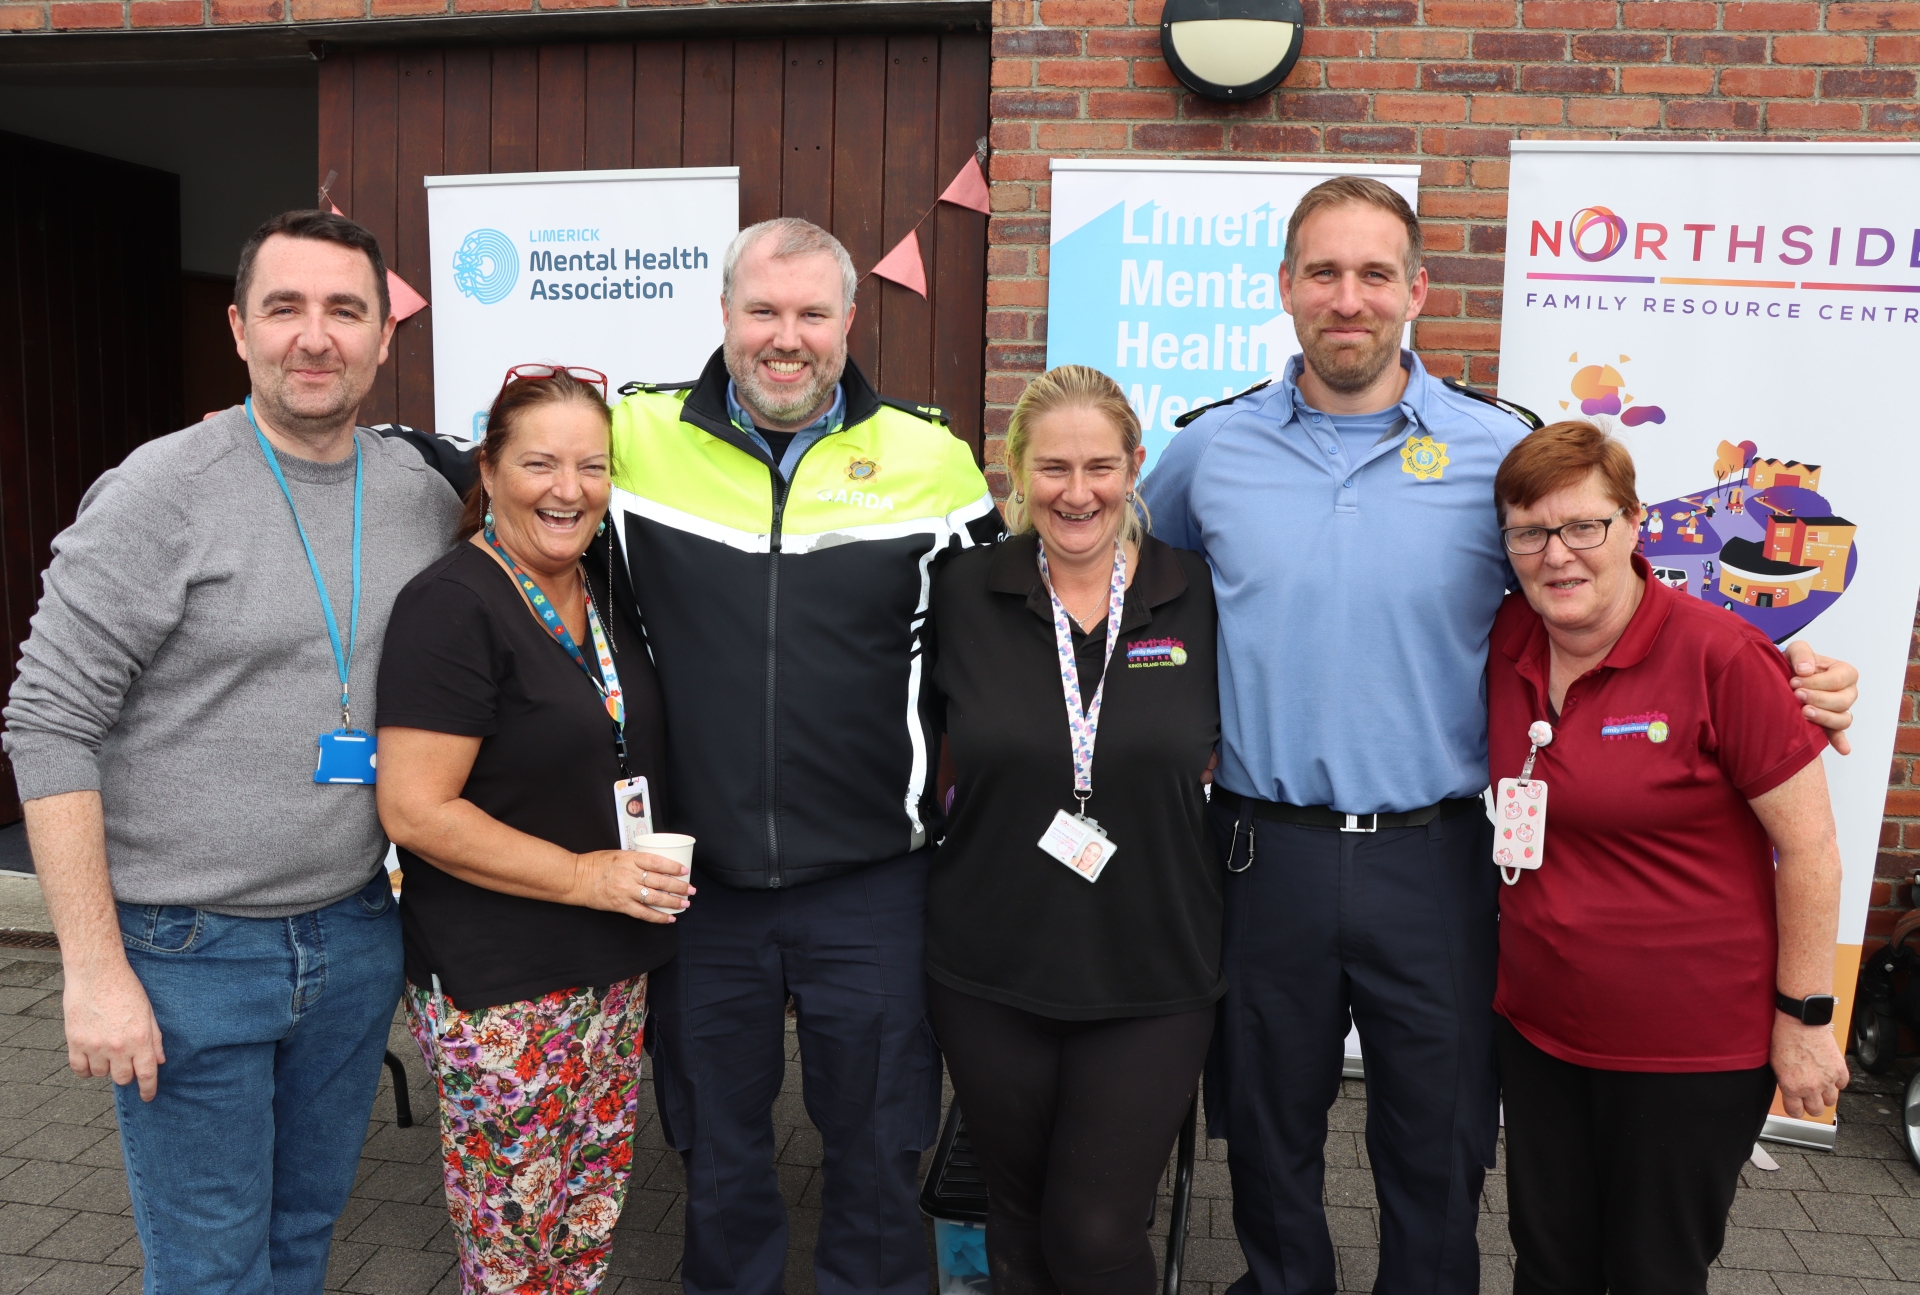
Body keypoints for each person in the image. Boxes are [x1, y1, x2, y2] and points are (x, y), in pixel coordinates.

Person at [1141, 175, 1861, 1294]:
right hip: (1260, 850)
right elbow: (1121, 593)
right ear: (1284, 288)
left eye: (1376, 273)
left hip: (1438, 856)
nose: (1349, 298)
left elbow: (1609, 586)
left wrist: (1784, 670)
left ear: (1418, 288)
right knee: (1269, 1128)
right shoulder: (1206, 454)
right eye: (1323, 272)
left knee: (1438, 1135)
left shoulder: (1496, 452)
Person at [0, 210, 462, 1293]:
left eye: (344, 310)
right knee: (210, 1266)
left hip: (353, 935)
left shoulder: (423, 498)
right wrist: (94, 970)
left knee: (302, 1234)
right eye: (284, 308)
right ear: (238, 329)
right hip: (185, 951)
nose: (315, 336)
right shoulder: (159, 492)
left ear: (385, 335)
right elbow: (47, 718)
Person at [606, 217, 1002, 1295]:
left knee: (876, 1145)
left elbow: (1003, 650)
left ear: (849, 322)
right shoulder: (630, 439)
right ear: (725, 316)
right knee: (717, 1148)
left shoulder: (932, 457)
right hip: (696, 881)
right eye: (764, 311)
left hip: (875, 877)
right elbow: (503, 496)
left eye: (812, 313)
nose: (788, 338)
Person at [1487, 421, 1849, 1292]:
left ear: (1635, 523)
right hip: (1540, 1036)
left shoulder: (1719, 655)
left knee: (1653, 1271)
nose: (1558, 554)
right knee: (1548, 1264)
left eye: (1585, 526)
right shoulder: (1508, 640)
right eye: (1531, 532)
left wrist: (1805, 1018)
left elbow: (1810, 849)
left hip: (1684, 1053)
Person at [374, 367, 691, 1292]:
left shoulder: (599, 587)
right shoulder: (453, 605)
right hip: (503, 983)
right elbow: (415, 808)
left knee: (584, 1229)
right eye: (541, 463)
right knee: (515, 1251)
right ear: (492, 467)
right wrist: (585, 876)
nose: (569, 487)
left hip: (611, 967)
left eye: (592, 466)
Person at [923, 365, 1222, 1294]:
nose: (1077, 492)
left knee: (1092, 1230)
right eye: (1053, 467)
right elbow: (923, 750)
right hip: (991, 965)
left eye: (1101, 466)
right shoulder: (964, 591)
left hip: (1152, 967)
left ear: (1136, 467)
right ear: (1016, 471)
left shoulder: (1195, 594)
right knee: (1013, 1221)